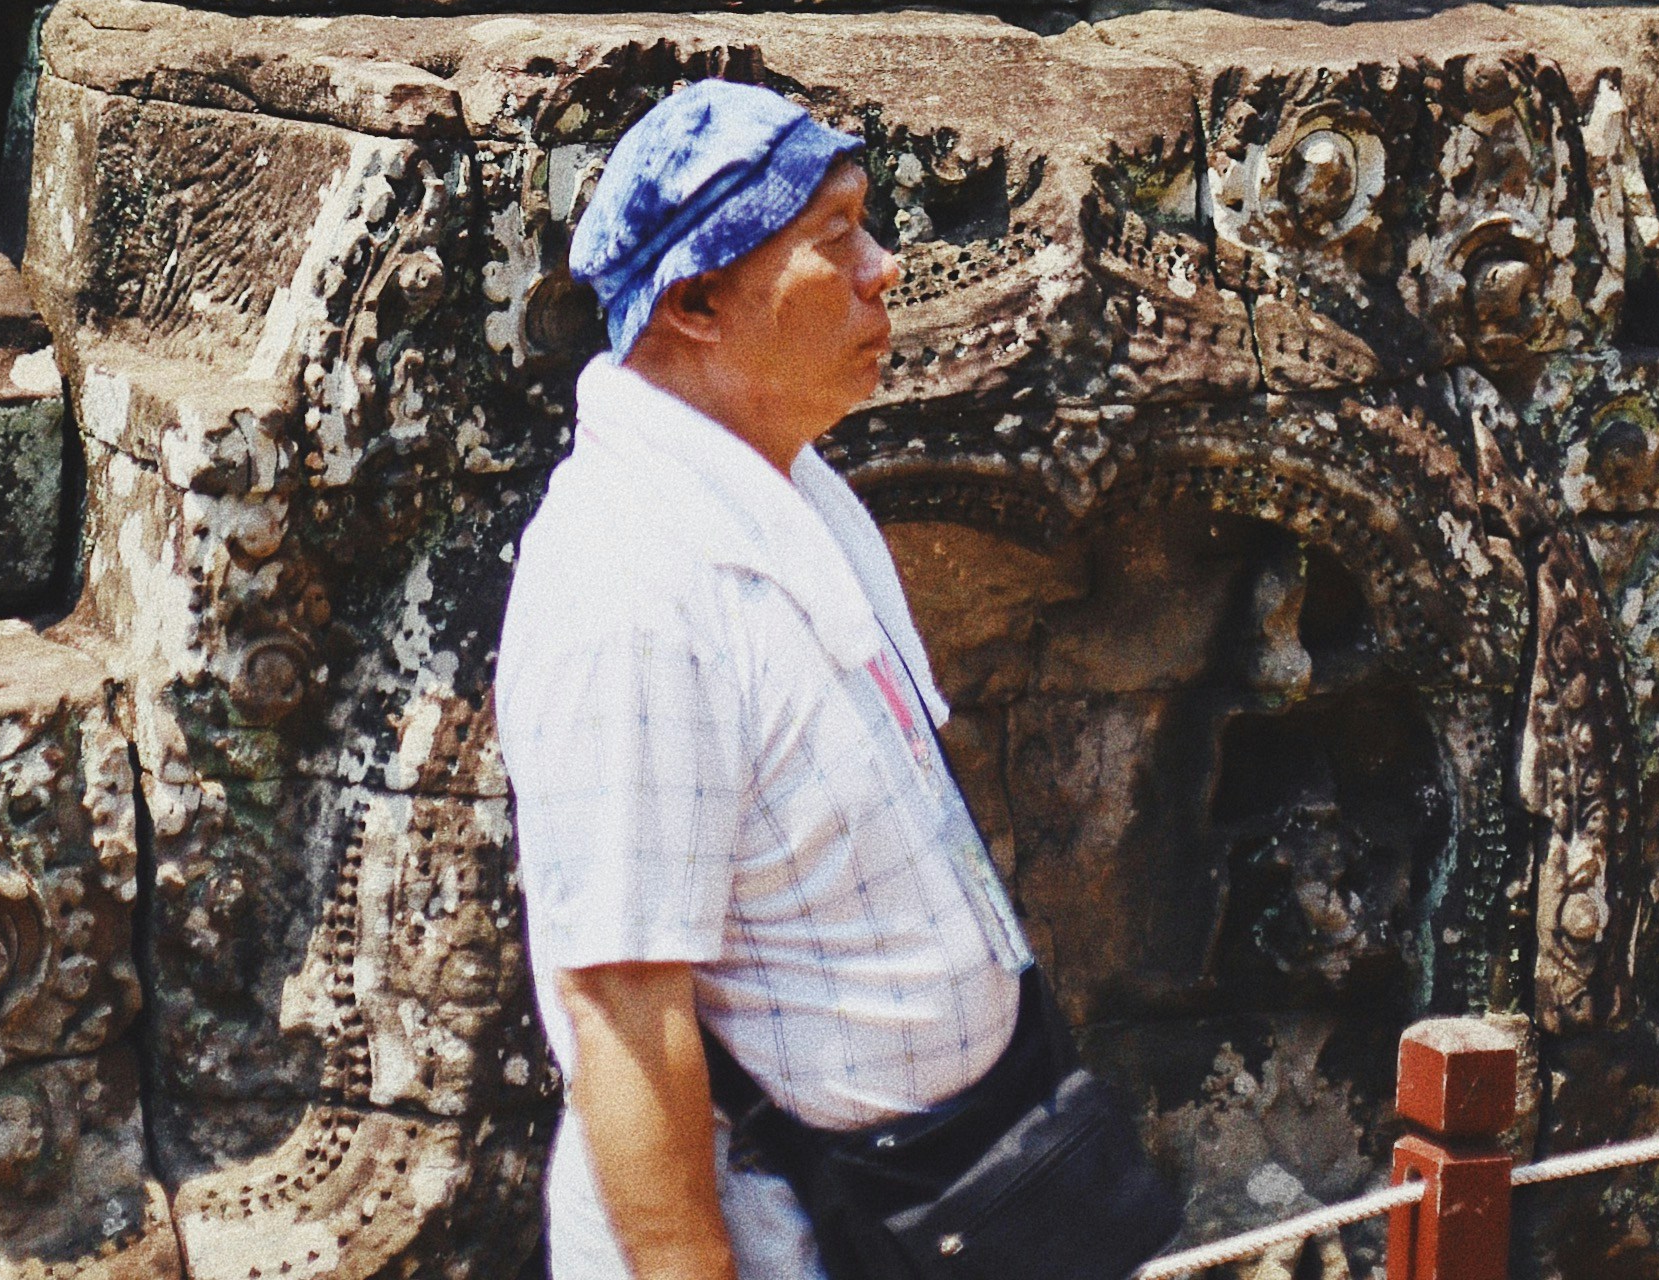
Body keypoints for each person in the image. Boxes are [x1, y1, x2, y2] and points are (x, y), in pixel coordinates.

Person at [495, 78, 1174, 1280]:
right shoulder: (636, 588)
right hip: (791, 1230)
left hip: (941, 1184)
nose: (884, 268)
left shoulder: (780, 489)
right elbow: (623, 1008)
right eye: (831, 240)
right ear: (698, 300)